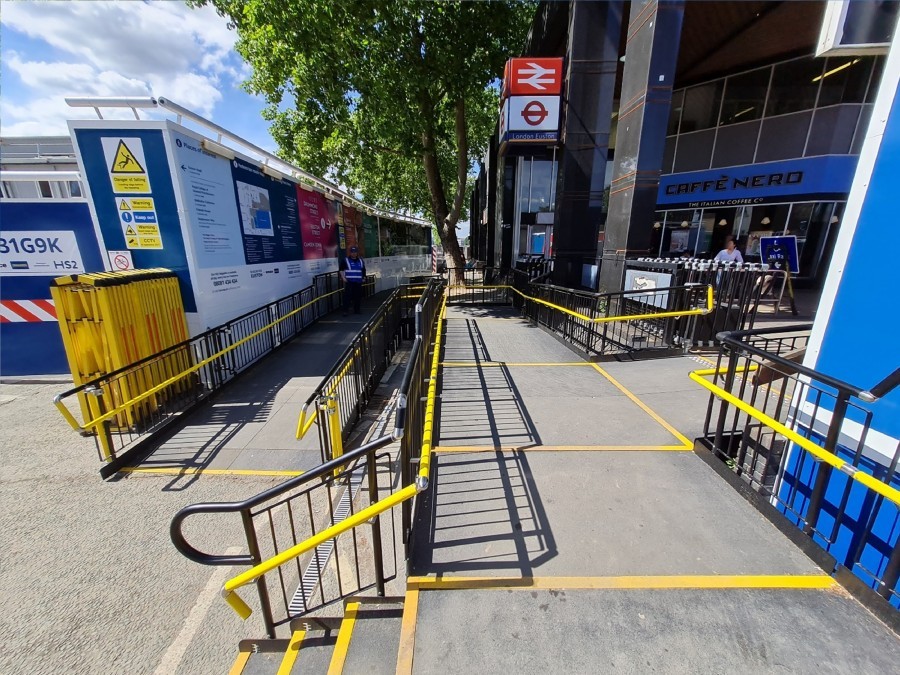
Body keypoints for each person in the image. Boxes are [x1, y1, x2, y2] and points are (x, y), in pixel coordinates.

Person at [339, 245, 366, 314]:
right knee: (347, 297)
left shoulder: (361, 260)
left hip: (358, 282)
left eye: (355, 252)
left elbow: (363, 270)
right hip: (349, 282)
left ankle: (357, 310)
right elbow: (341, 269)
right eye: (352, 252)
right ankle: (345, 311)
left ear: (357, 253)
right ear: (350, 253)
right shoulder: (345, 260)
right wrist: (343, 278)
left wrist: (364, 277)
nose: (354, 253)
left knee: (358, 297)